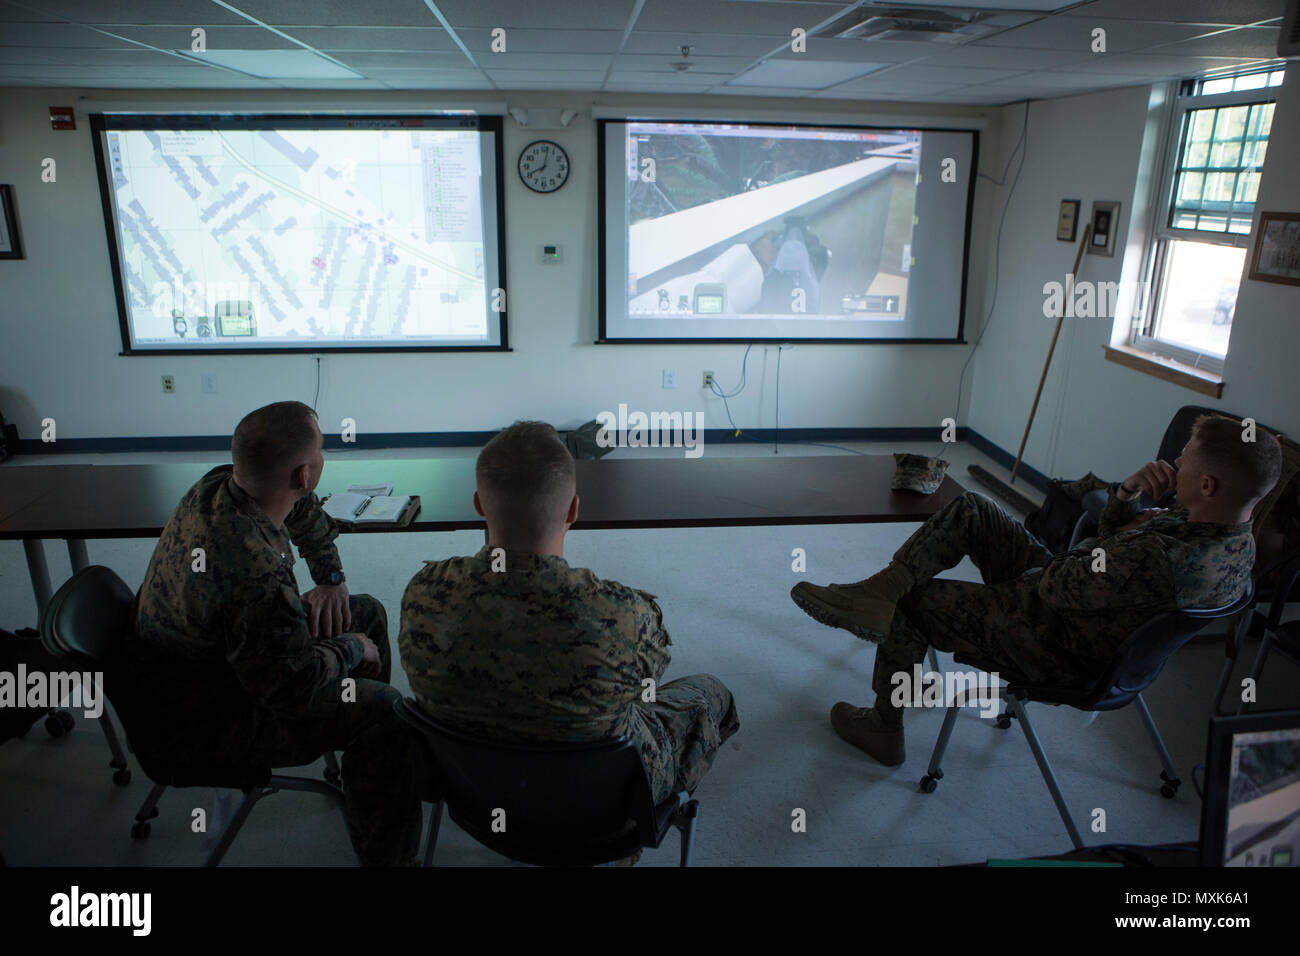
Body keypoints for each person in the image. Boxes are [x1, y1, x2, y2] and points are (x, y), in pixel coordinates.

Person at [790, 414, 1282, 766]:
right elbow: (1107, 548)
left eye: (1186, 459)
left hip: (1055, 644)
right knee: (974, 509)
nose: (1175, 461)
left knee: (918, 600)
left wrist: (1084, 550)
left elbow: (1057, 584)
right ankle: (881, 592)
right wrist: (1127, 494)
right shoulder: (1232, 539)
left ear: (1208, 485)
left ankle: (884, 724)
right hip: (1080, 616)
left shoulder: (1166, 559)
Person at [399, 421, 739, 858]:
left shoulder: (425, 594)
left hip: (473, 802)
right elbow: (649, 682)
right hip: (602, 818)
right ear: (574, 510)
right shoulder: (623, 617)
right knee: (710, 693)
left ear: (479, 504)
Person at [130, 401, 421, 865]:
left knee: (362, 611)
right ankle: (388, 852)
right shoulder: (254, 572)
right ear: (304, 473)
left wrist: (330, 578)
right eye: (321, 449)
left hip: (207, 666)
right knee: (385, 711)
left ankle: (366, 767)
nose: (324, 456)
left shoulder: (218, 485)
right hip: (213, 718)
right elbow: (291, 684)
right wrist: (351, 648)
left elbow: (304, 512)